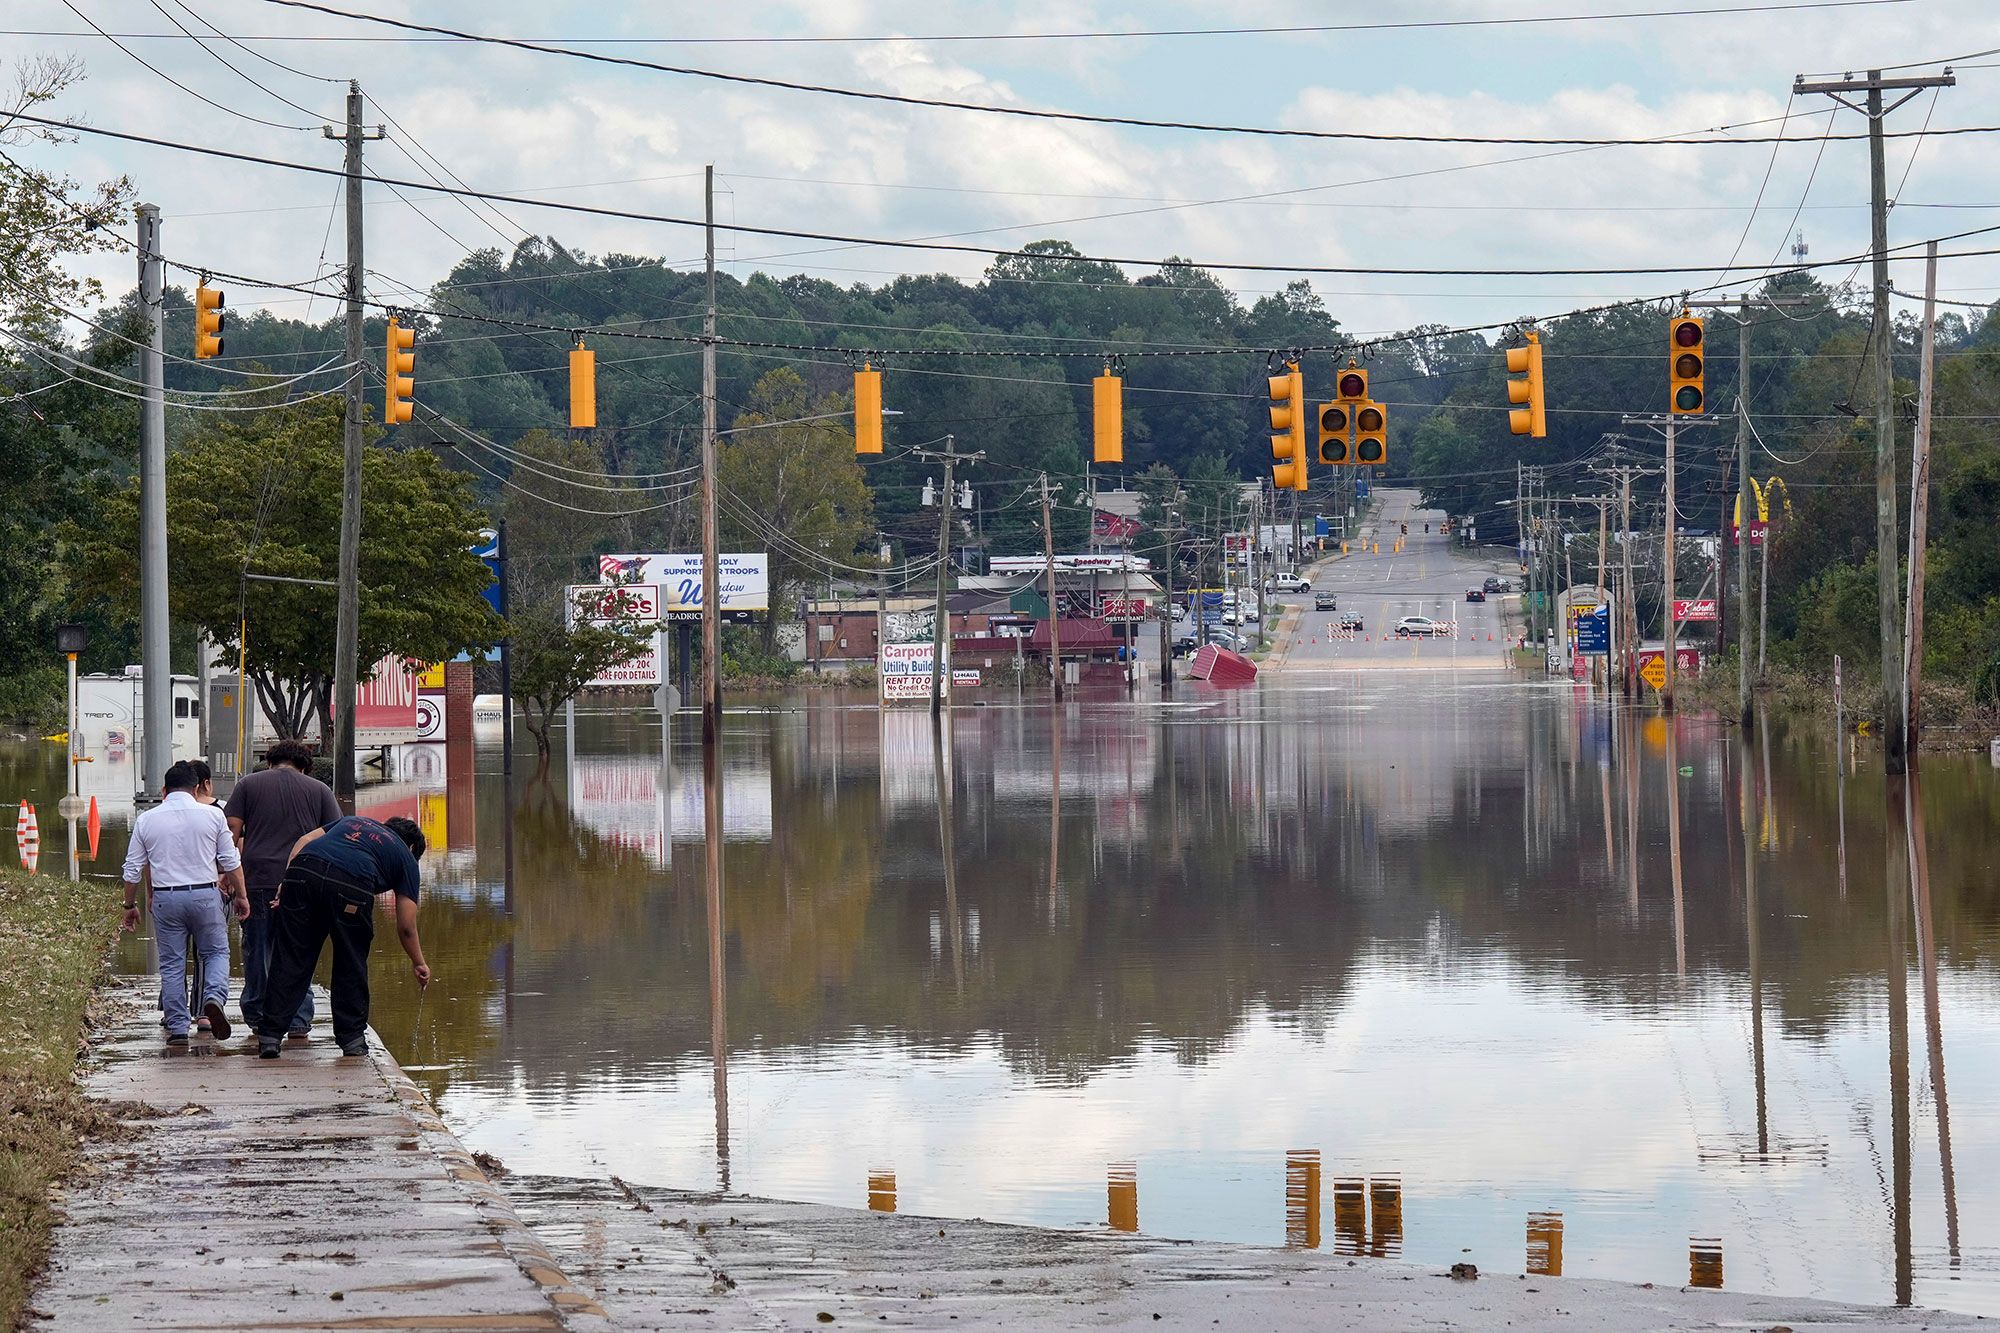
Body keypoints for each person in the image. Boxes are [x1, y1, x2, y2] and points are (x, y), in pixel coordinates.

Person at [256, 814, 431, 1060]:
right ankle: (352, 1041)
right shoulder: (406, 858)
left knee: (291, 955)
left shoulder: (352, 821)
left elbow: (305, 839)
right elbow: (406, 926)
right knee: (350, 962)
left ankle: (270, 1037)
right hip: (351, 884)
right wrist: (419, 962)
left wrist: (288, 879)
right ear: (412, 848)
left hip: (302, 871)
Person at [121, 760, 250, 1045]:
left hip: (166, 898)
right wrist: (241, 894)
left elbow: (132, 869)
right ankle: (213, 998)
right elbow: (230, 860)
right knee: (215, 953)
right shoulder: (213, 816)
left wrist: (130, 906)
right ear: (196, 789)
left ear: (164, 790)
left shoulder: (147, 819)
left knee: (172, 964)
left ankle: (178, 1028)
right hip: (205, 894)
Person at [223, 740, 339, 1038]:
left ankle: (260, 1018)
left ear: (270, 762)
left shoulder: (247, 785)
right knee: (299, 950)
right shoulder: (320, 790)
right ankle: (298, 1020)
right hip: (304, 881)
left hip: (257, 879)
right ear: (304, 766)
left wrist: (225, 873)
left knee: (258, 950)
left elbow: (230, 833)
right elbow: (335, 837)